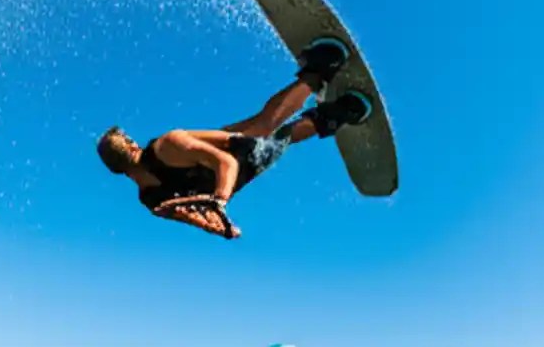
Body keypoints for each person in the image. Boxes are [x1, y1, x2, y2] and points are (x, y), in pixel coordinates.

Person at [95, 38, 372, 239]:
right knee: (267, 127)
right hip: (232, 167)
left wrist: (223, 227)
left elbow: (196, 218)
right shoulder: (165, 148)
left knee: (267, 131)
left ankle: (341, 112)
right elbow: (225, 161)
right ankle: (323, 69)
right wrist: (220, 204)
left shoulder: (150, 201)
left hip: (223, 178)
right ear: (132, 146)